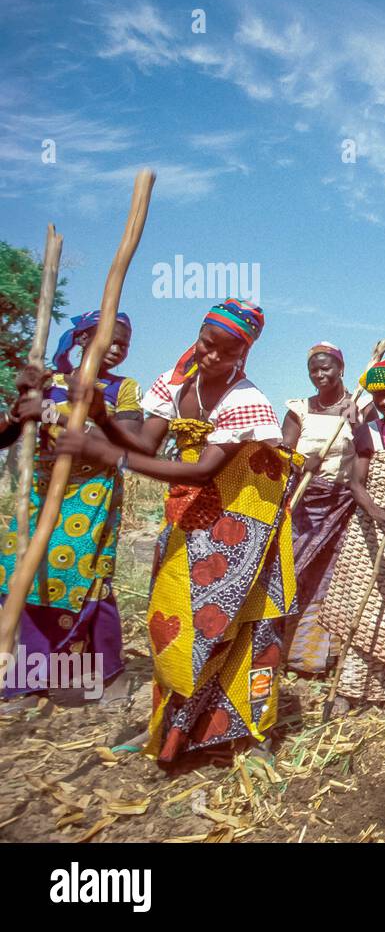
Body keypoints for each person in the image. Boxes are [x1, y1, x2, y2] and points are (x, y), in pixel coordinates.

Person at [56, 301, 297, 763]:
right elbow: (147, 442)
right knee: (174, 622)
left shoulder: (246, 400)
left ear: (242, 355)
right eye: (207, 342)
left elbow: (203, 471)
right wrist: (103, 420)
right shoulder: (175, 379)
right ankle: (169, 728)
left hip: (245, 523)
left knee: (243, 625)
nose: (209, 356)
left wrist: (104, 453)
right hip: (192, 518)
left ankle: (247, 733)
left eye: (225, 352)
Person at [0, 312, 138, 707]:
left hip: (93, 495)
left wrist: (55, 415)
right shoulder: (50, 383)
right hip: (44, 493)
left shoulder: (124, 389)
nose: (116, 348)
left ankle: (109, 677)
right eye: (109, 339)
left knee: (82, 578)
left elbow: (127, 441)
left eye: (124, 344)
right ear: (82, 339)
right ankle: (26, 681)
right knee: (20, 575)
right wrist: (21, 406)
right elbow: (8, 433)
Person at [315, 357, 385, 715]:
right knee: (359, 612)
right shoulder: (367, 433)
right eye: (378, 396)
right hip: (369, 537)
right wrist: (376, 513)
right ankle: (347, 689)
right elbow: (355, 484)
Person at [280, 342, 358, 674]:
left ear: (341, 369)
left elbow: (371, 447)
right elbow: (283, 451)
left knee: (334, 578)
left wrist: (358, 420)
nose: (320, 374)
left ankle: (320, 660)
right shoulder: (298, 409)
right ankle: (286, 653)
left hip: (343, 503)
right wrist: (301, 462)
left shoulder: (359, 405)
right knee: (294, 571)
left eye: (326, 368)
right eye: (314, 369)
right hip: (305, 503)